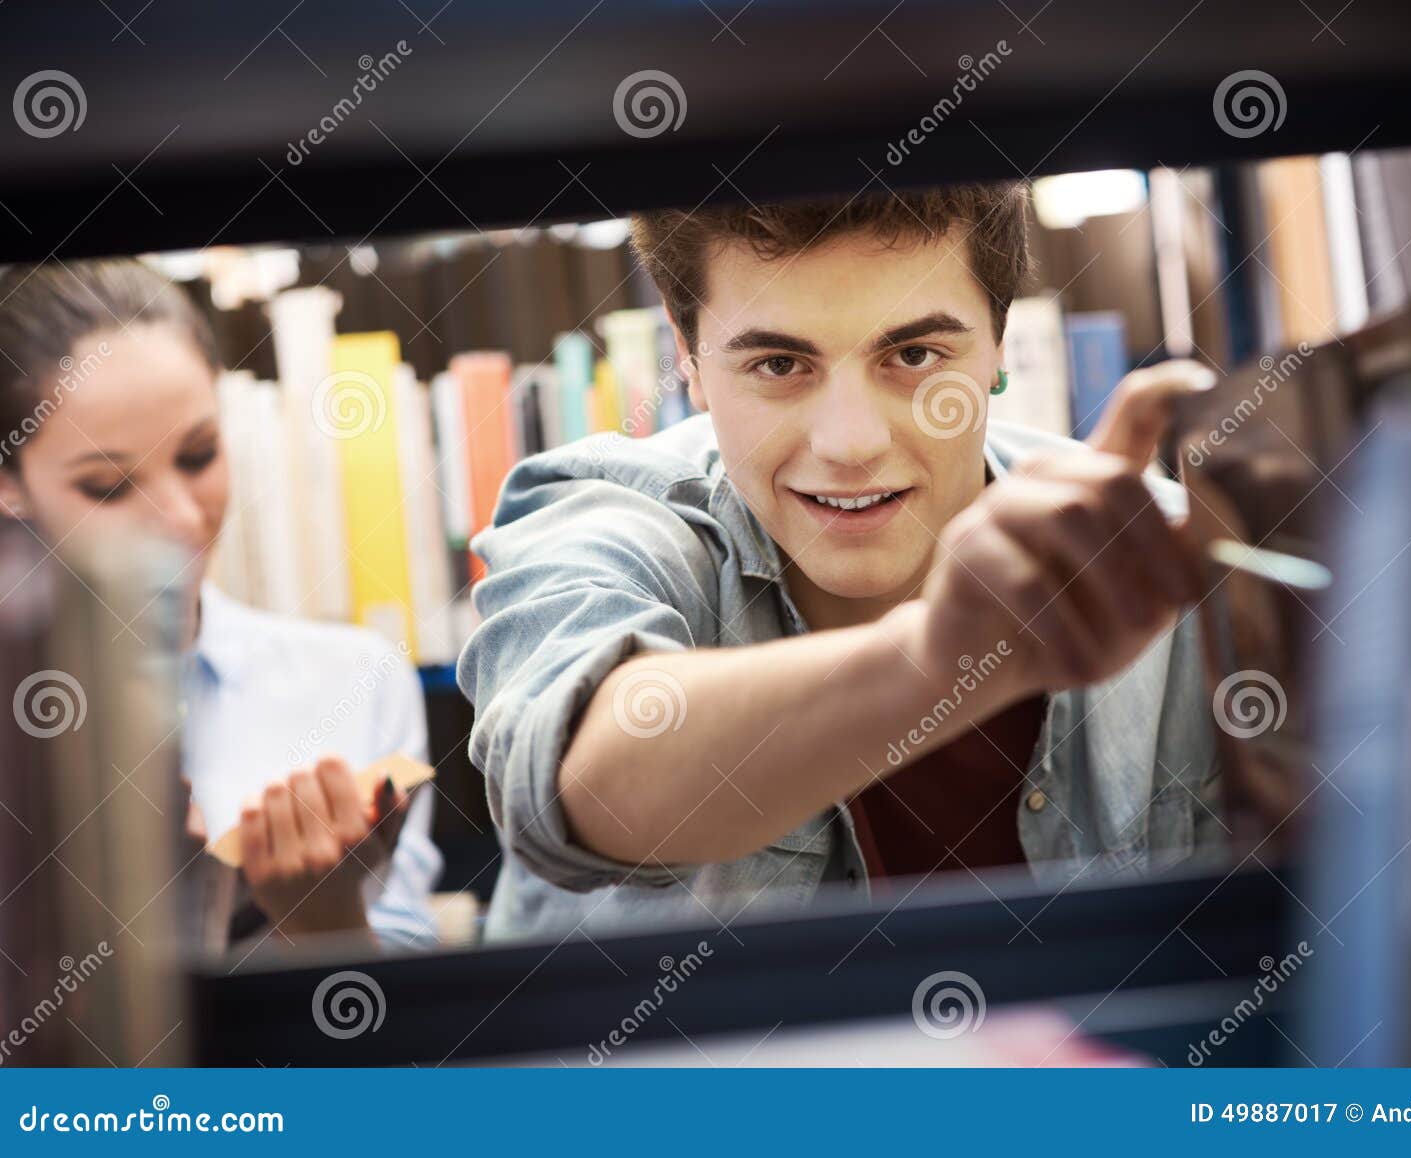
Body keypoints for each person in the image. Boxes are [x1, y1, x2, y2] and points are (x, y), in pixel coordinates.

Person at [460, 182, 1224, 941]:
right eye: (779, 365)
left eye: (915, 354)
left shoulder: (1159, 555)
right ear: (686, 355)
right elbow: (583, 781)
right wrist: (941, 658)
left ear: (998, 340)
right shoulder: (602, 511)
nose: (850, 443)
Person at [0, 260, 441, 951]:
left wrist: (326, 924)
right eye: (109, 486)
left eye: (199, 455)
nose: (179, 518)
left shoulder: (358, 679)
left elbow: (404, 1031)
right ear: (11, 487)